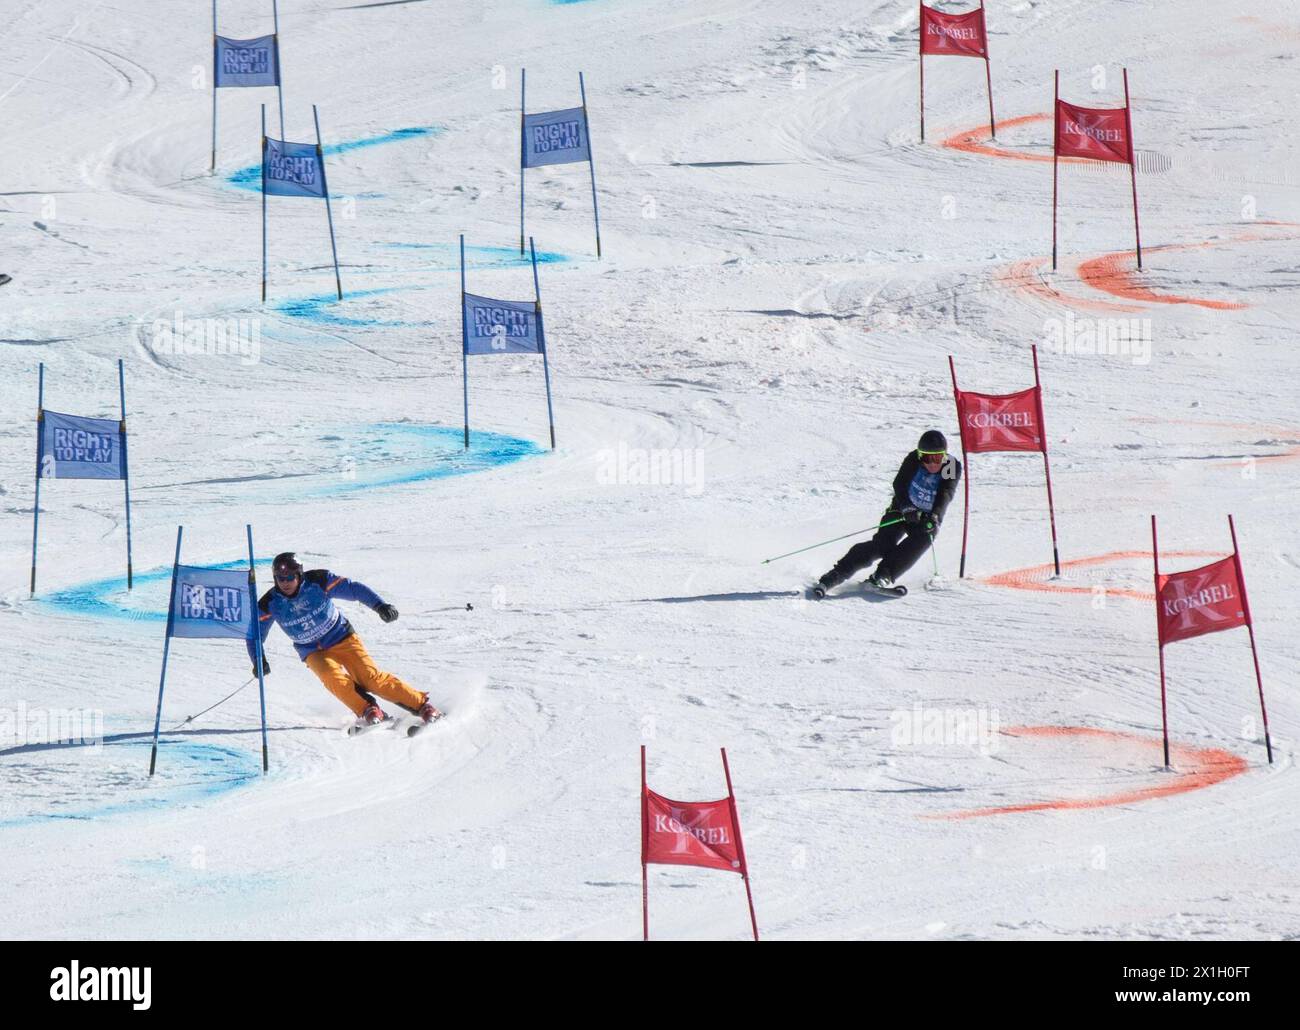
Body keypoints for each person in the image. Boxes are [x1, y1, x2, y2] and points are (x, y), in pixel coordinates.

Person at [248, 552, 441, 728]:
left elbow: (353, 589)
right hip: (311, 650)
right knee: (332, 678)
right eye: (280, 578)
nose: (285, 582)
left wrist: (380, 606)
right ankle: (369, 710)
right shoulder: (269, 603)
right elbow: (254, 634)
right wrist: (258, 660)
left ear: (299, 575)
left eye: (290, 577)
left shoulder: (318, 581)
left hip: (341, 637)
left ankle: (422, 705)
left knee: (369, 678)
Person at [811, 430, 962, 597]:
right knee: (882, 545)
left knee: (923, 539)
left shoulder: (950, 465)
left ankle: (883, 575)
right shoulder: (913, 458)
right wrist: (906, 507)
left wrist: (934, 516)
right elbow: (900, 483)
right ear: (920, 455)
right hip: (902, 509)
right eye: (927, 457)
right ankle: (836, 574)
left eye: (938, 458)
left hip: (927, 518)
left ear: (945, 455)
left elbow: (946, 492)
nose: (932, 463)